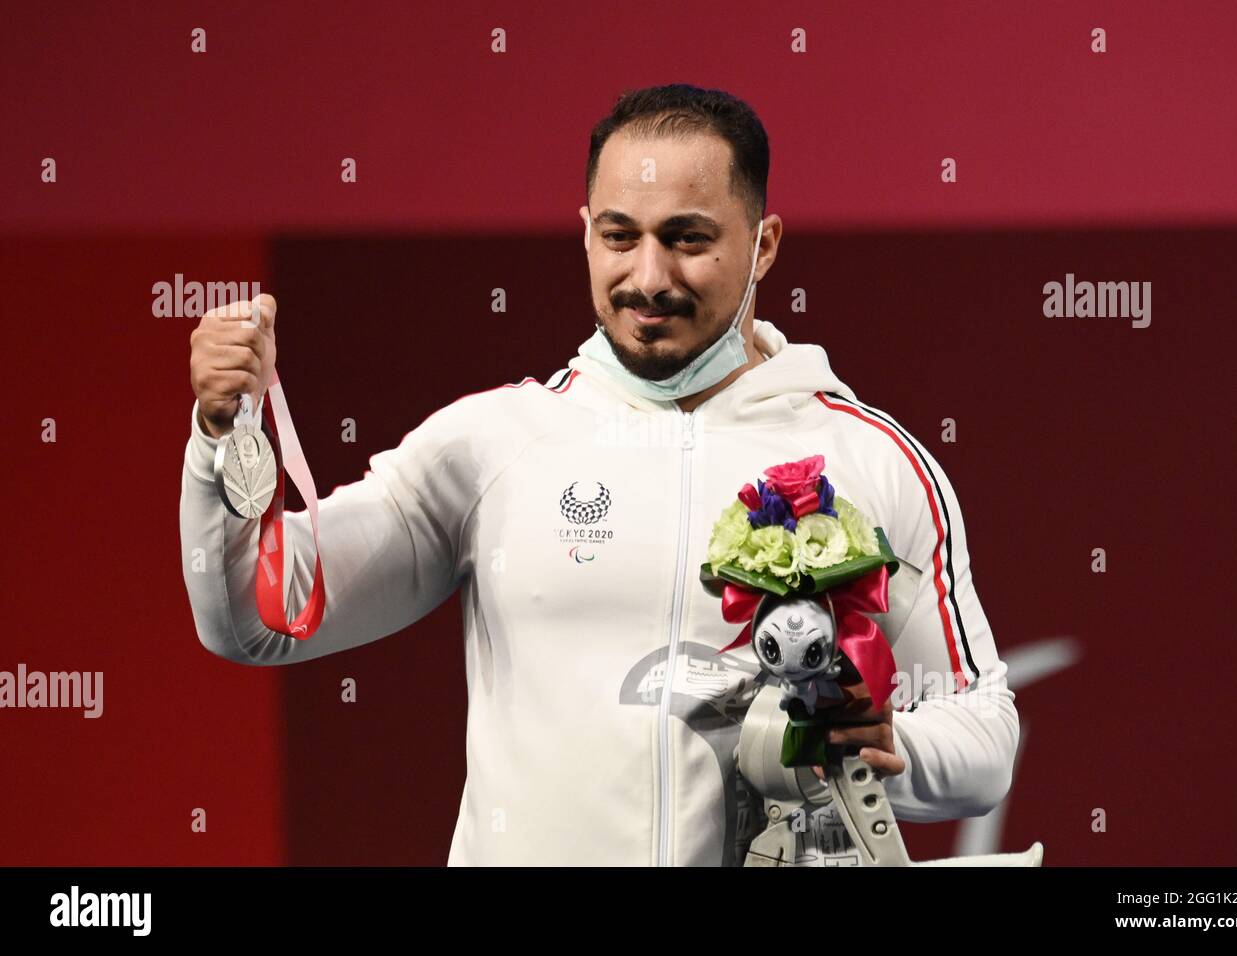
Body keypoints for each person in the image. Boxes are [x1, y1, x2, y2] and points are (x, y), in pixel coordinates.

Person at [181, 84, 1019, 866]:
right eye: (620, 236)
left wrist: (883, 745)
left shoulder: (869, 459)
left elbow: (984, 737)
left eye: (688, 239)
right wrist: (223, 437)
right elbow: (257, 622)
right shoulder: (492, 445)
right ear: (585, 232)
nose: (648, 279)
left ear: (763, 246)